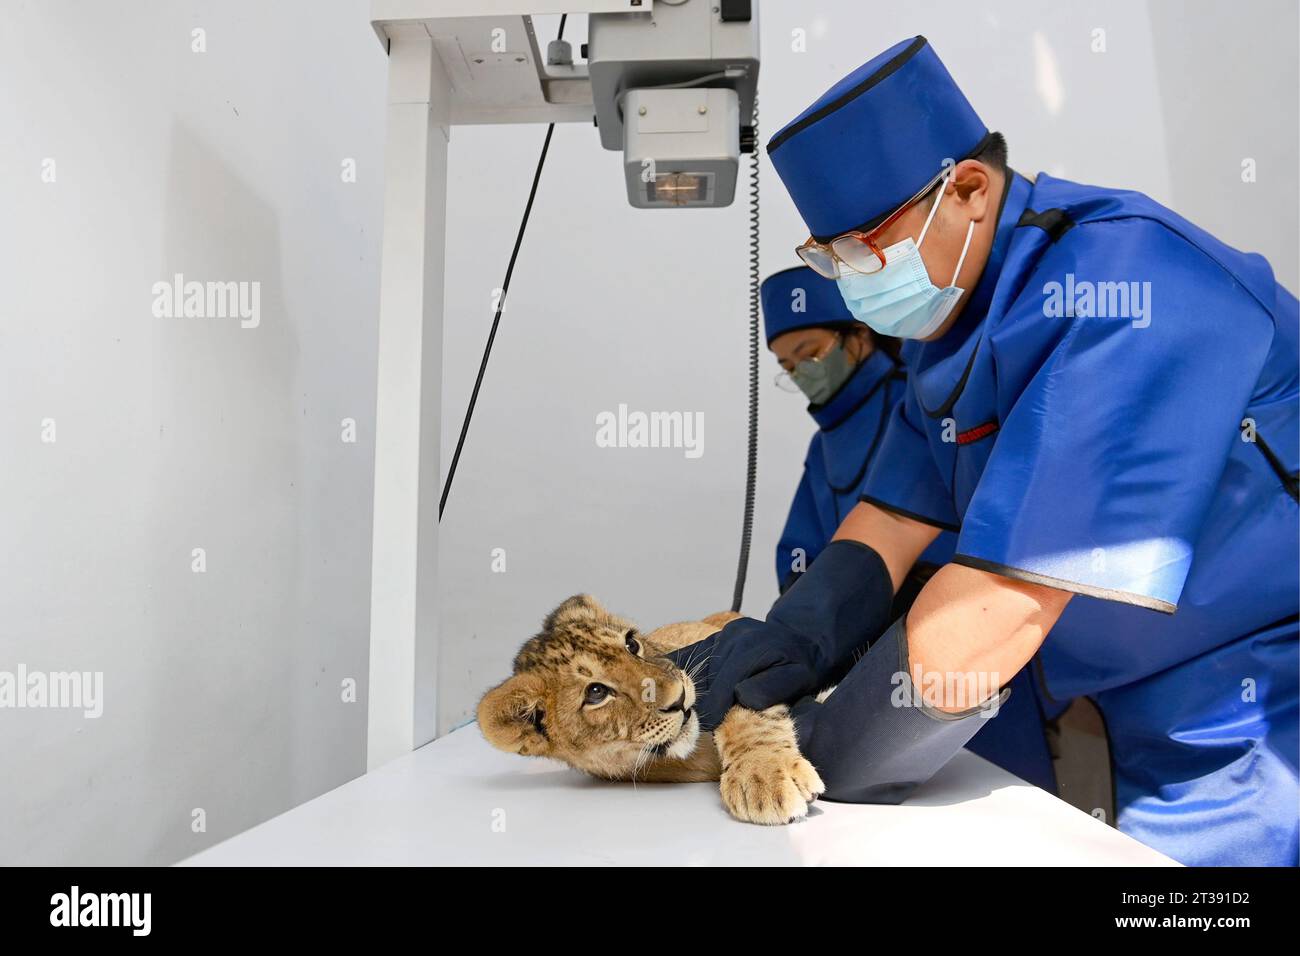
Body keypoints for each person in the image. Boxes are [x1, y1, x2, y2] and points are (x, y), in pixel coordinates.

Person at [672, 36, 1298, 866]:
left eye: (864, 253)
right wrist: (792, 641)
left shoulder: (1133, 289)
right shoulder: (950, 330)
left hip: (1256, 700)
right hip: (1125, 695)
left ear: (967, 189)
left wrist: (812, 742)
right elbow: (892, 516)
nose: (854, 282)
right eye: (831, 260)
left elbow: (999, 605)